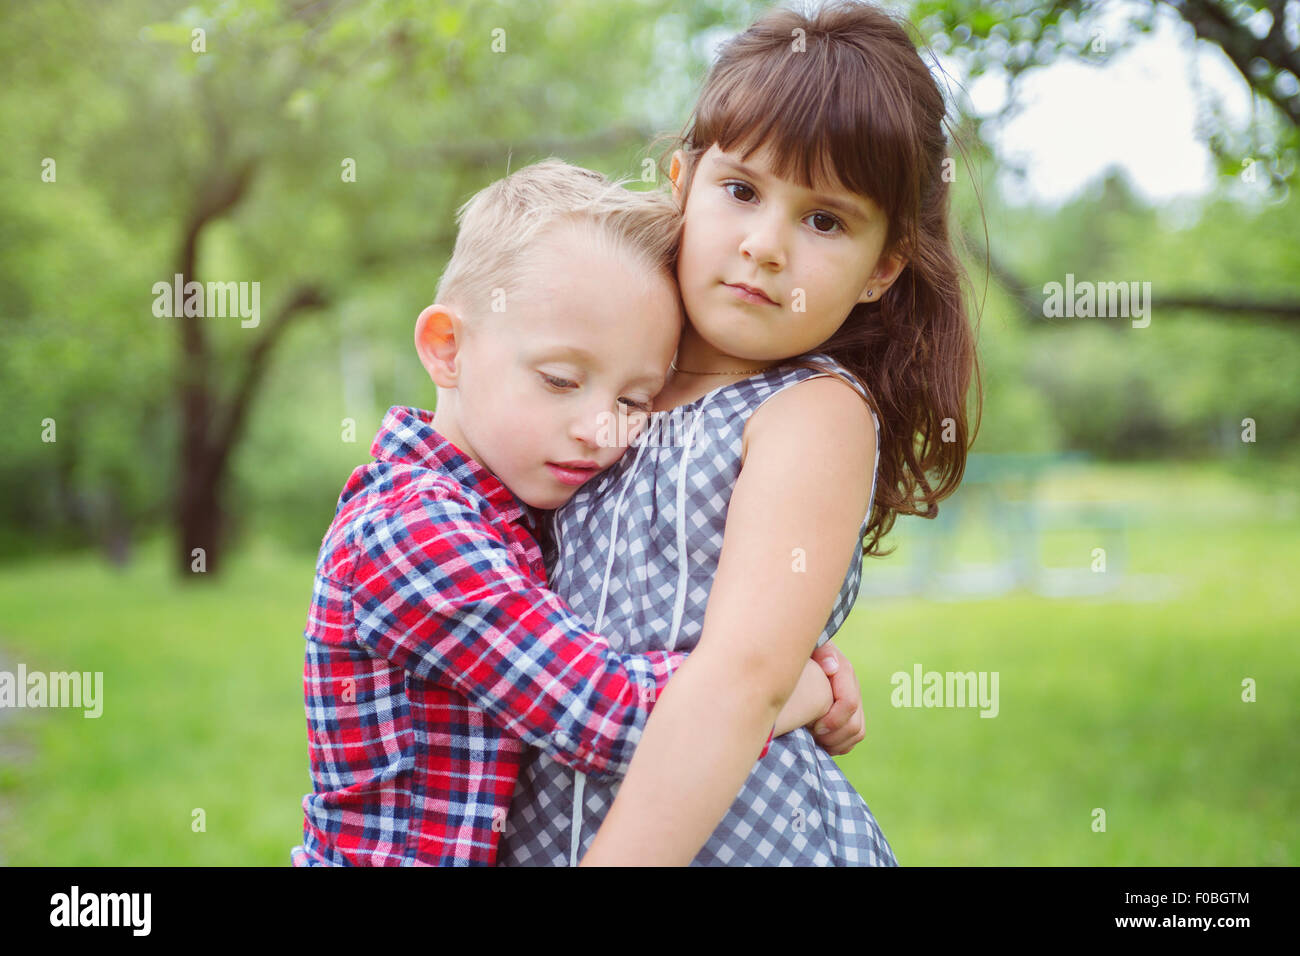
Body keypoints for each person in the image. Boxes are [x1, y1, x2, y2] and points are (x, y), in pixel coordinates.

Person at [501, 1, 981, 866]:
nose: (764, 246)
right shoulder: (601, 369)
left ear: (881, 269)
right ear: (682, 182)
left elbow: (737, 682)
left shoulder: (811, 415)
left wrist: (784, 683)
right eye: (742, 190)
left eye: (824, 219)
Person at [290, 158, 858, 866]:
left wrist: (782, 648)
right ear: (447, 348)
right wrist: (790, 689)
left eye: (633, 401)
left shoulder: (523, 508)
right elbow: (602, 712)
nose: (602, 430)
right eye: (560, 380)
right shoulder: (411, 530)